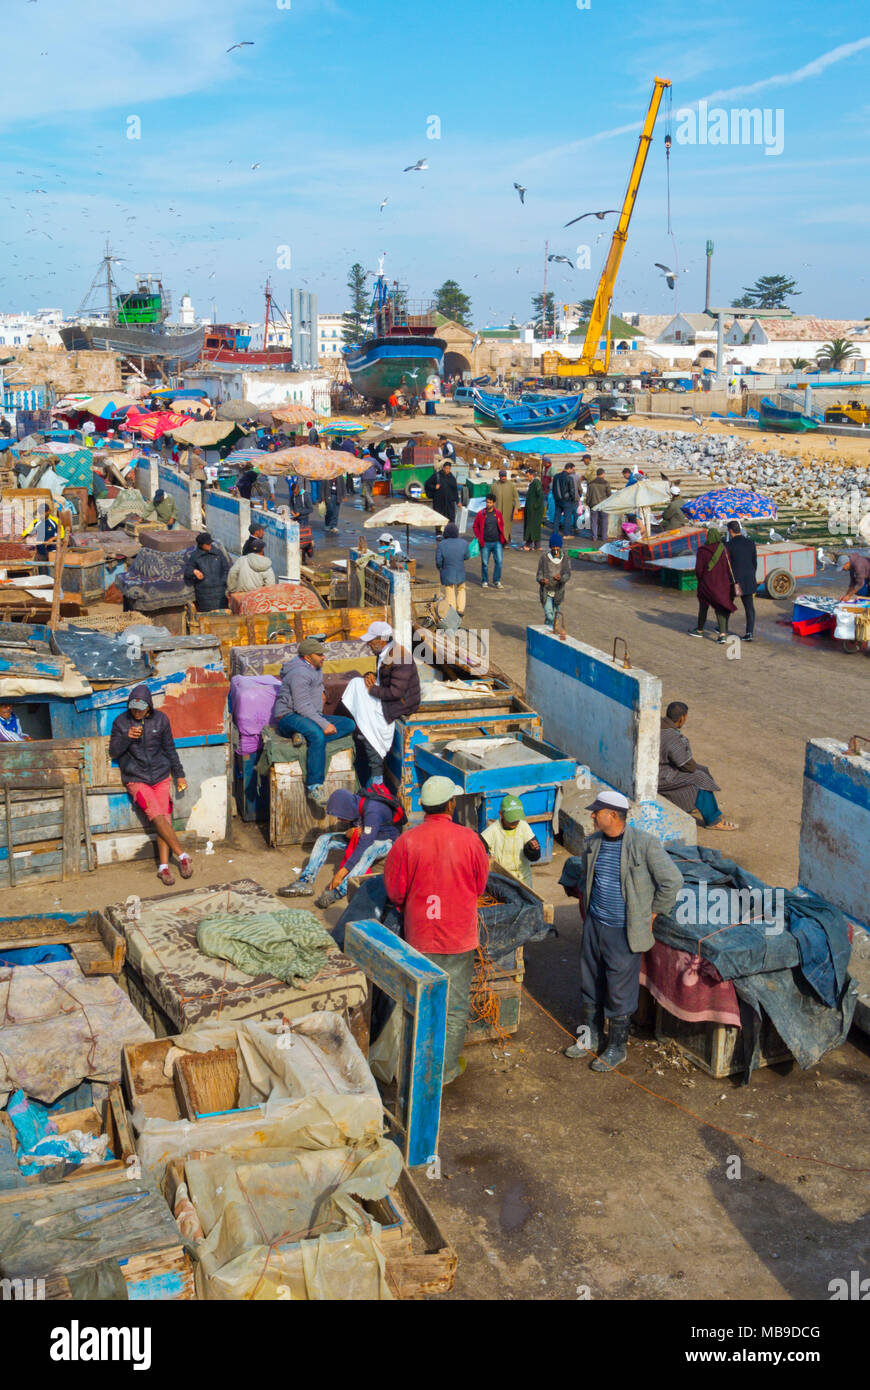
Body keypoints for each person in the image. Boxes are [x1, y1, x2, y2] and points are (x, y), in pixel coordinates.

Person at [560, 789, 683, 1070]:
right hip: (594, 925)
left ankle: (616, 1047)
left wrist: (652, 913)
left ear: (612, 815)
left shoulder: (644, 844)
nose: (592, 816)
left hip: (623, 931)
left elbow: (672, 881)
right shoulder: (592, 843)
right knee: (590, 982)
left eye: (597, 812)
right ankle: (589, 1038)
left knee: (619, 990)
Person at [383, 775, 490, 1086]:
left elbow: (394, 892)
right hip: (458, 939)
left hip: (419, 939)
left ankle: (415, 1069)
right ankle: (443, 1074)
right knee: (454, 1008)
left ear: (424, 806)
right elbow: (480, 885)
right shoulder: (471, 840)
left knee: (417, 1005)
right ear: (452, 804)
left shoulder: (407, 841)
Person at [108, 685, 192, 886]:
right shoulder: (121, 722)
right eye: (133, 708)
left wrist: (179, 775)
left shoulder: (161, 720)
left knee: (164, 818)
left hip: (161, 776)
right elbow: (113, 751)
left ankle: (163, 868)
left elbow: (170, 749)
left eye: (140, 708)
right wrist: (128, 737)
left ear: (149, 707)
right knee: (155, 815)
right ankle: (182, 855)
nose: (136, 712)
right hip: (136, 778)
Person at [278, 785, 406, 907]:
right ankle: (305, 882)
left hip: (386, 842)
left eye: (340, 815)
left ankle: (339, 891)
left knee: (368, 851)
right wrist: (349, 833)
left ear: (346, 809)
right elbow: (359, 832)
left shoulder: (373, 810)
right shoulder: (355, 805)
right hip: (366, 836)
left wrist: (341, 873)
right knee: (324, 839)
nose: (339, 819)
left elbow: (363, 845)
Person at [272, 638, 356, 808]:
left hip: (308, 716)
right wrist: (323, 725)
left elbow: (315, 688)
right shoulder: (299, 674)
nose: (323, 657)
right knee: (317, 735)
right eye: (320, 655)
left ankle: (304, 736)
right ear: (308, 656)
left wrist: (322, 693)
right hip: (289, 716)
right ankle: (314, 785)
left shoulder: (315, 667)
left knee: (348, 724)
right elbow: (301, 706)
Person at [341, 620, 421, 787]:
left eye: (372, 640)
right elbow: (383, 678)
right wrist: (370, 676)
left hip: (401, 703)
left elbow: (396, 692)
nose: (369, 644)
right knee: (356, 683)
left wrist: (372, 690)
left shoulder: (400, 657)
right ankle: (364, 731)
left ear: (382, 639)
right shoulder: (386, 653)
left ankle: (376, 773)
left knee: (371, 724)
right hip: (390, 696)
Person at [658, 701, 738, 831]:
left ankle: (701, 805)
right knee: (700, 778)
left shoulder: (660, 725)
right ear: (682, 718)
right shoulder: (672, 737)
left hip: (661, 768)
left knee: (703, 770)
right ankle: (713, 820)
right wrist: (694, 767)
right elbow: (685, 765)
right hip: (662, 776)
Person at [481, 794, 541, 887]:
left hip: (524, 879)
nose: (515, 822)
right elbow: (478, 852)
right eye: (511, 818)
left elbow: (535, 857)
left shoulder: (523, 826)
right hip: (502, 880)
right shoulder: (492, 831)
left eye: (517, 818)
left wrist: (533, 850)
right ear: (501, 814)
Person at [689, 527, 736, 643]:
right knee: (720, 608)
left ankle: (699, 630)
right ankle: (722, 634)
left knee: (703, 607)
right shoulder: (724, 549)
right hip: (722, 583)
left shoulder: (702, 550)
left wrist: (701, 579)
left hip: (706, 584)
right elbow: (727, 566)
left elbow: (699, 570)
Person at [725, 520, 758, 640]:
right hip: (749, 578)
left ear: (730, 531)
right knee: (749, 607)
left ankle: (723, 628)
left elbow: (727, 565)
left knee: (727, 604)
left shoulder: (728, 545)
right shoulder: (750, 543)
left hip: (734, 580)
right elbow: (754, 562)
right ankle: (749, 633)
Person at [183, 532, 230, 612]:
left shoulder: (218, 553)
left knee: (222, 616)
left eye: (210, 543)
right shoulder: (195, 556)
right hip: (204, 593)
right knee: (207, 618)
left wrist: (222, 581)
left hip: (220, 592)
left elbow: (226, 569)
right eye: (207, 544)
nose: (209, 545)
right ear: (201, 545)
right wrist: (194, 571)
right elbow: (187, 571)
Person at [536, 531, 571, 631]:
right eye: (553, 547)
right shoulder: (544, 558)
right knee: (549, 615)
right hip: (546, 591)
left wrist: (561, 578)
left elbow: (567, 574)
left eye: (557, 547)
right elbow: (538, 574)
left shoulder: (565, 558)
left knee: (556, 616)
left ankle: (547, 631)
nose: (555, 549)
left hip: (558, 592)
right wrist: (542, 580)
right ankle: (549, 630)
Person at [435, 521, 470, 616]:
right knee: (461, 589)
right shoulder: (463, 543)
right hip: (460, 571)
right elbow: (467, 556)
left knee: (450, 590)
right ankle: (461, 609)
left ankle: (453, 611)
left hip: (447, 571)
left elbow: (438, 561)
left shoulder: (442, 544)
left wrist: (440, 568)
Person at [473, 493, 507, 588]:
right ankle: (484, 581)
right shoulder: (481, 514)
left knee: (499, 562)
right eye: (487, 502)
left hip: (497, 542)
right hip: (485, 543)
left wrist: (502, 538)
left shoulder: (498, 514)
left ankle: (497, 580)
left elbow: (502, 525)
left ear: (494, 503)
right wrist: (479, 537)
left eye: (490, 502)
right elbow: (475, 526)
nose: (488, 504)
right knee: (485, 563)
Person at [551, 463, 580, 536]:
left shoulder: (556, 476)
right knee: (567, 517)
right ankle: (566, 534)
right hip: (567, 501)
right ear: (569, 468)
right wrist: (573, 499)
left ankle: (555, 532)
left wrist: (555, 497)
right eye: (573, 469)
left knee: (557, 516)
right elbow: (572, 491)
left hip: (557, 500)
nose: (573, 471)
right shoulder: (569, 478)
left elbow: (553, 488)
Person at [491, 469, 519, 540]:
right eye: (502, 476)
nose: (503, 478)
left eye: (505, 476)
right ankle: (498, 540)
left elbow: (516, 497)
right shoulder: (494, 486)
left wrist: (516, 508)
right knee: (497, 525)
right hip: (497, 509)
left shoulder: (511, 485)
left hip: (508, 510)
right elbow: (490, 498)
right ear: (499, 476)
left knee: (507, 526)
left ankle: (506, 541)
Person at [586, 469, 611, 544]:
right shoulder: (606, 483)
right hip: (603, 505)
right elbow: (609, 494)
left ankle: (594, 537)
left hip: (593, 504)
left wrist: (588, 503)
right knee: (604, 521)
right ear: (603, 474)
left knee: (594, 521)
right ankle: (604, 537)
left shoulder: (591, 483)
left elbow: (588, 495)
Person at [522, 470, 545, 551]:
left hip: (535, 511)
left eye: (527, 476)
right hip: (532, 510)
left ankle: (528, 544)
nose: (527, 477)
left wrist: (535, 506)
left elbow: (540, 496)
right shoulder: (532, 483)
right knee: (535, 527)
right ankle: (537, 545)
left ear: (532, 475)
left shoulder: (536, 483)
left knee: (531, 527)